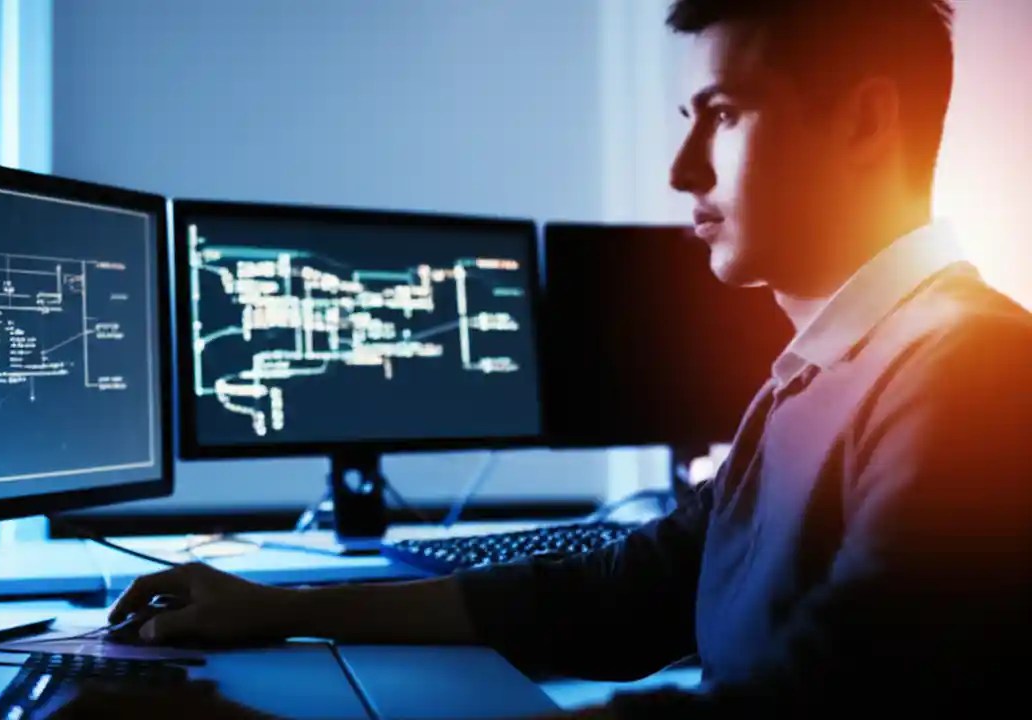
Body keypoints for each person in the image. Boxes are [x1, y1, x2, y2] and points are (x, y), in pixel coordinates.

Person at [74, 0, 1032, 717]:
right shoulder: (822, 375)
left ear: (865, 123)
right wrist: (277, 611)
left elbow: (831, 698)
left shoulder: (972, 372)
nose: (682, 170)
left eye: (725, 113)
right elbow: (623, 596)